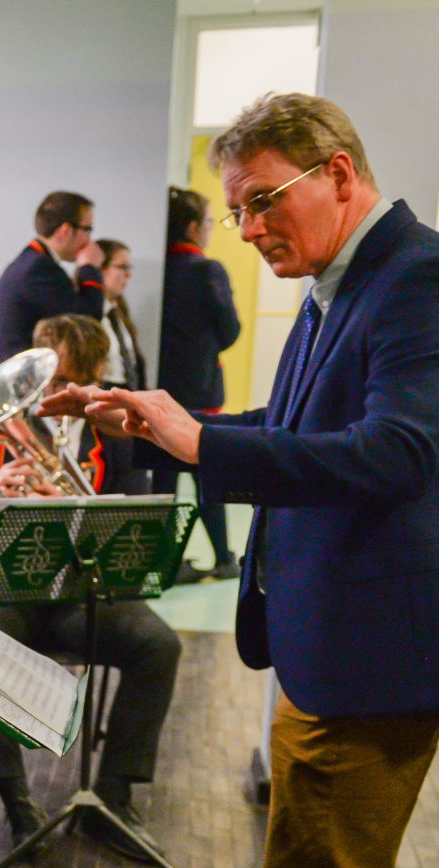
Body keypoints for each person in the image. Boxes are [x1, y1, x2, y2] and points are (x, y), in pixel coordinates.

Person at [49, 92, 439, 868]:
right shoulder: (346, 281)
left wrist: (203, 444)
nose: (247, 230)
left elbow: (393, 454)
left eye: (262, 201)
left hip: (376, 652)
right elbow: (301, 430)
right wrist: (169, 422)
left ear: (336, 173)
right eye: (237, 210)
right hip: (339, 639)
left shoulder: (425, 281)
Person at [0, 315, 183, 863]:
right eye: (59, 380)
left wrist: (79, 507)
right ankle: (16, 799)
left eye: (82, 382)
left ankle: (113, 798)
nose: (68, 395)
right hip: (6, 593)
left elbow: (128, 516)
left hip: (78, 593)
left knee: (160, 646)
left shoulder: (113, 439)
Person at [156, 186, 244, 581]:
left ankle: (164, 563)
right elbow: (229, 330)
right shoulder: (208, 271)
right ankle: (223, 558)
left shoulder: (158, 269)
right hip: (200, 391)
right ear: (193, 227)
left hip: (159, 392)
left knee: (163, 484)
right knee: (208, 476)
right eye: (209, 222)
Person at [0, 190, 107, 372]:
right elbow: (88, 323)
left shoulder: (32, 262)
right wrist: (90, 268)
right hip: (18, 383)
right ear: (65, 231)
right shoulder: (38, 269)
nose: (89, 240)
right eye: (87, 230)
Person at [96, 240, 147, 391]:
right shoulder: (87, 310)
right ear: (101, 269)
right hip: (103, 391)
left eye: (128, 268)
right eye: (122, 267)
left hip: (127, 391)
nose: (128, 274)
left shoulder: (119, 308)